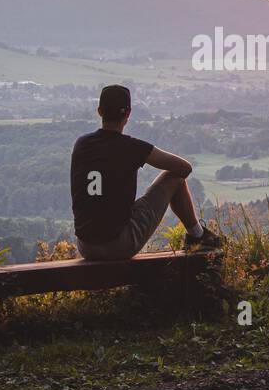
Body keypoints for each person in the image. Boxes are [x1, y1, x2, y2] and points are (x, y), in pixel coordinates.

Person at [70, 84, 222, 260]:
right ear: (128, 114)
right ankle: (197, 236)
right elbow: (184, 169)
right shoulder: (133, 147)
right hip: (118, 244)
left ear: (99, 111)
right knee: (173, 178)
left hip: (85, 245)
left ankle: (197, 236)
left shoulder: (81, 144)